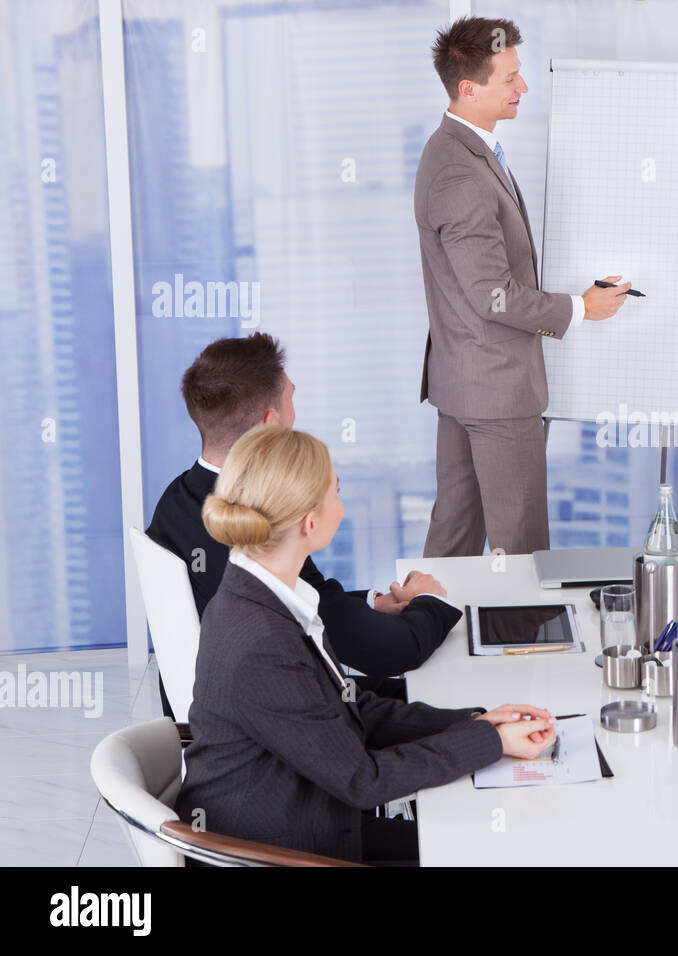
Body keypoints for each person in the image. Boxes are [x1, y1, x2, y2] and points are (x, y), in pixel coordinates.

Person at [174, 424, 555, 865]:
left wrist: (475, 723)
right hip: (281, 849)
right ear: (310, 522)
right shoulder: (263, 643)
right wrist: (490, 742)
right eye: (336, 491)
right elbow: (363, 780)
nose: (342, 502)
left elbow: (347, 708)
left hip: (304, 812)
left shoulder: (260, 592)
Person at [416, 16, 631, 558]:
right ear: (469, 89)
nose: (523, 87)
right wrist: (580, 308)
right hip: (496, 389)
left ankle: (431, 614)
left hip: (465, 381)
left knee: (455, 537)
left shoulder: (455, 151)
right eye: (510, 78)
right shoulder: (461, 171)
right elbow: (492, 293)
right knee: (522, 548)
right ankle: (516, 624)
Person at [147, 333, 454, 710]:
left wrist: (373, 603)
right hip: (273, 713)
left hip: (235, 697)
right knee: (453, 698)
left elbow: (311, 600)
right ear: (269, 426)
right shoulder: (256, 524)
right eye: (291, 398)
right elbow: (390, 652)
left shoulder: (179, 497)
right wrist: (430, 600)